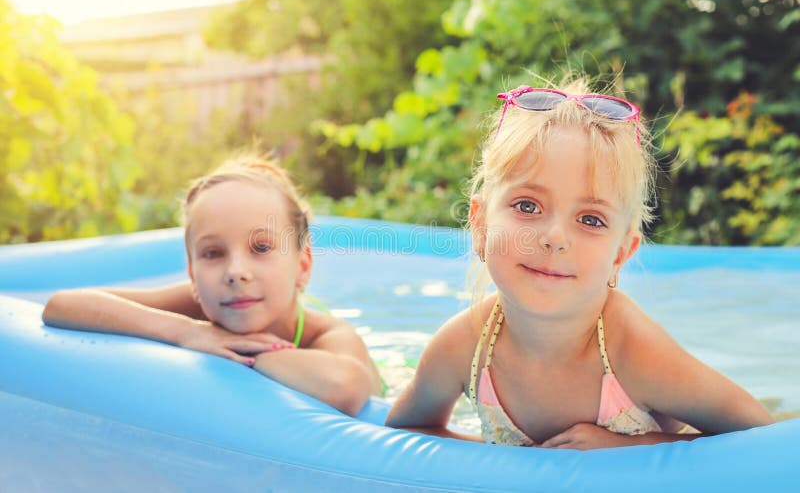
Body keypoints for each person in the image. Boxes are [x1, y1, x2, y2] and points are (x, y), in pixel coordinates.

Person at [386, 80, 774, 448]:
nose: (555, 236)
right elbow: (406, 433)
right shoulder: (466, 346)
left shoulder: (632, 351)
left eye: (590, 219)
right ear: (481, 224)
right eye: (527, 206)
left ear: (621, 252)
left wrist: (630, 448)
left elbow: (763, 439)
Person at [43, 154, 382, 416]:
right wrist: (185, 332)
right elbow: (63, 305)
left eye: (261, 248)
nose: (235, 272)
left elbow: (345, 387)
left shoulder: (325, 335)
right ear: (192, 273)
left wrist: (241, 349)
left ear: (303, 264)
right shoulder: (197, 310)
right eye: (213, 253)